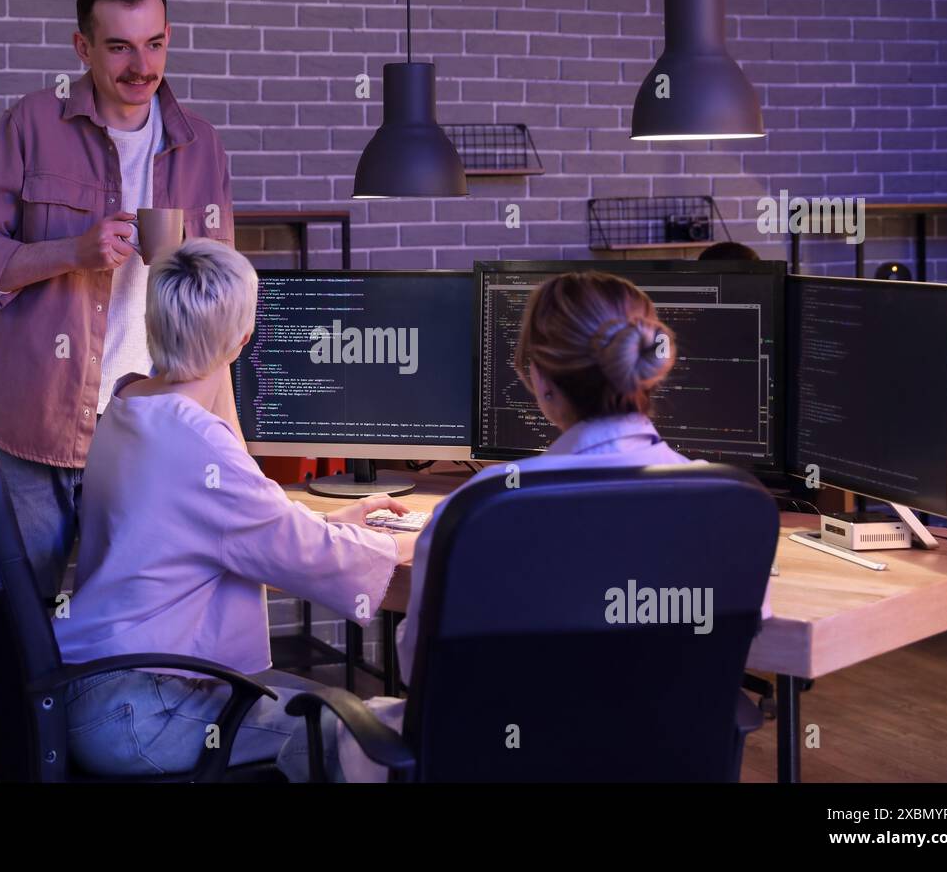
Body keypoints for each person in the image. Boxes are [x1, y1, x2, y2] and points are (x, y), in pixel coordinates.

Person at [283, 270, 774, 782]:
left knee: (308, 738)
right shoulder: (731, 503)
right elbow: (737, 639)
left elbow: (423, 671)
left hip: (488, 763)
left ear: (538, 377)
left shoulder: (484, 509)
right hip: (655, 763)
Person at [53, 239, 419, 777]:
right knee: (365, 731)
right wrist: (418, 538)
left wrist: (328, 520)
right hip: (146, 711)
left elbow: (222, 523)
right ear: (245, 338)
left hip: (93, 688)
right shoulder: (197, 444)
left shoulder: (128, 405)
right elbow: (307, 554)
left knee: (328, 711)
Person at [0, 0, 237, 601]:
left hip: (147, 431)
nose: (140, 65)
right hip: (30, 430)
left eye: (154, 43)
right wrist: (71, 252)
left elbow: (221, 295)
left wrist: (194, 275)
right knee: (19, 627)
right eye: (119, 46)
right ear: (83, 48)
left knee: (131, 626)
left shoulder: (200, 144)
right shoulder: (32, 124)